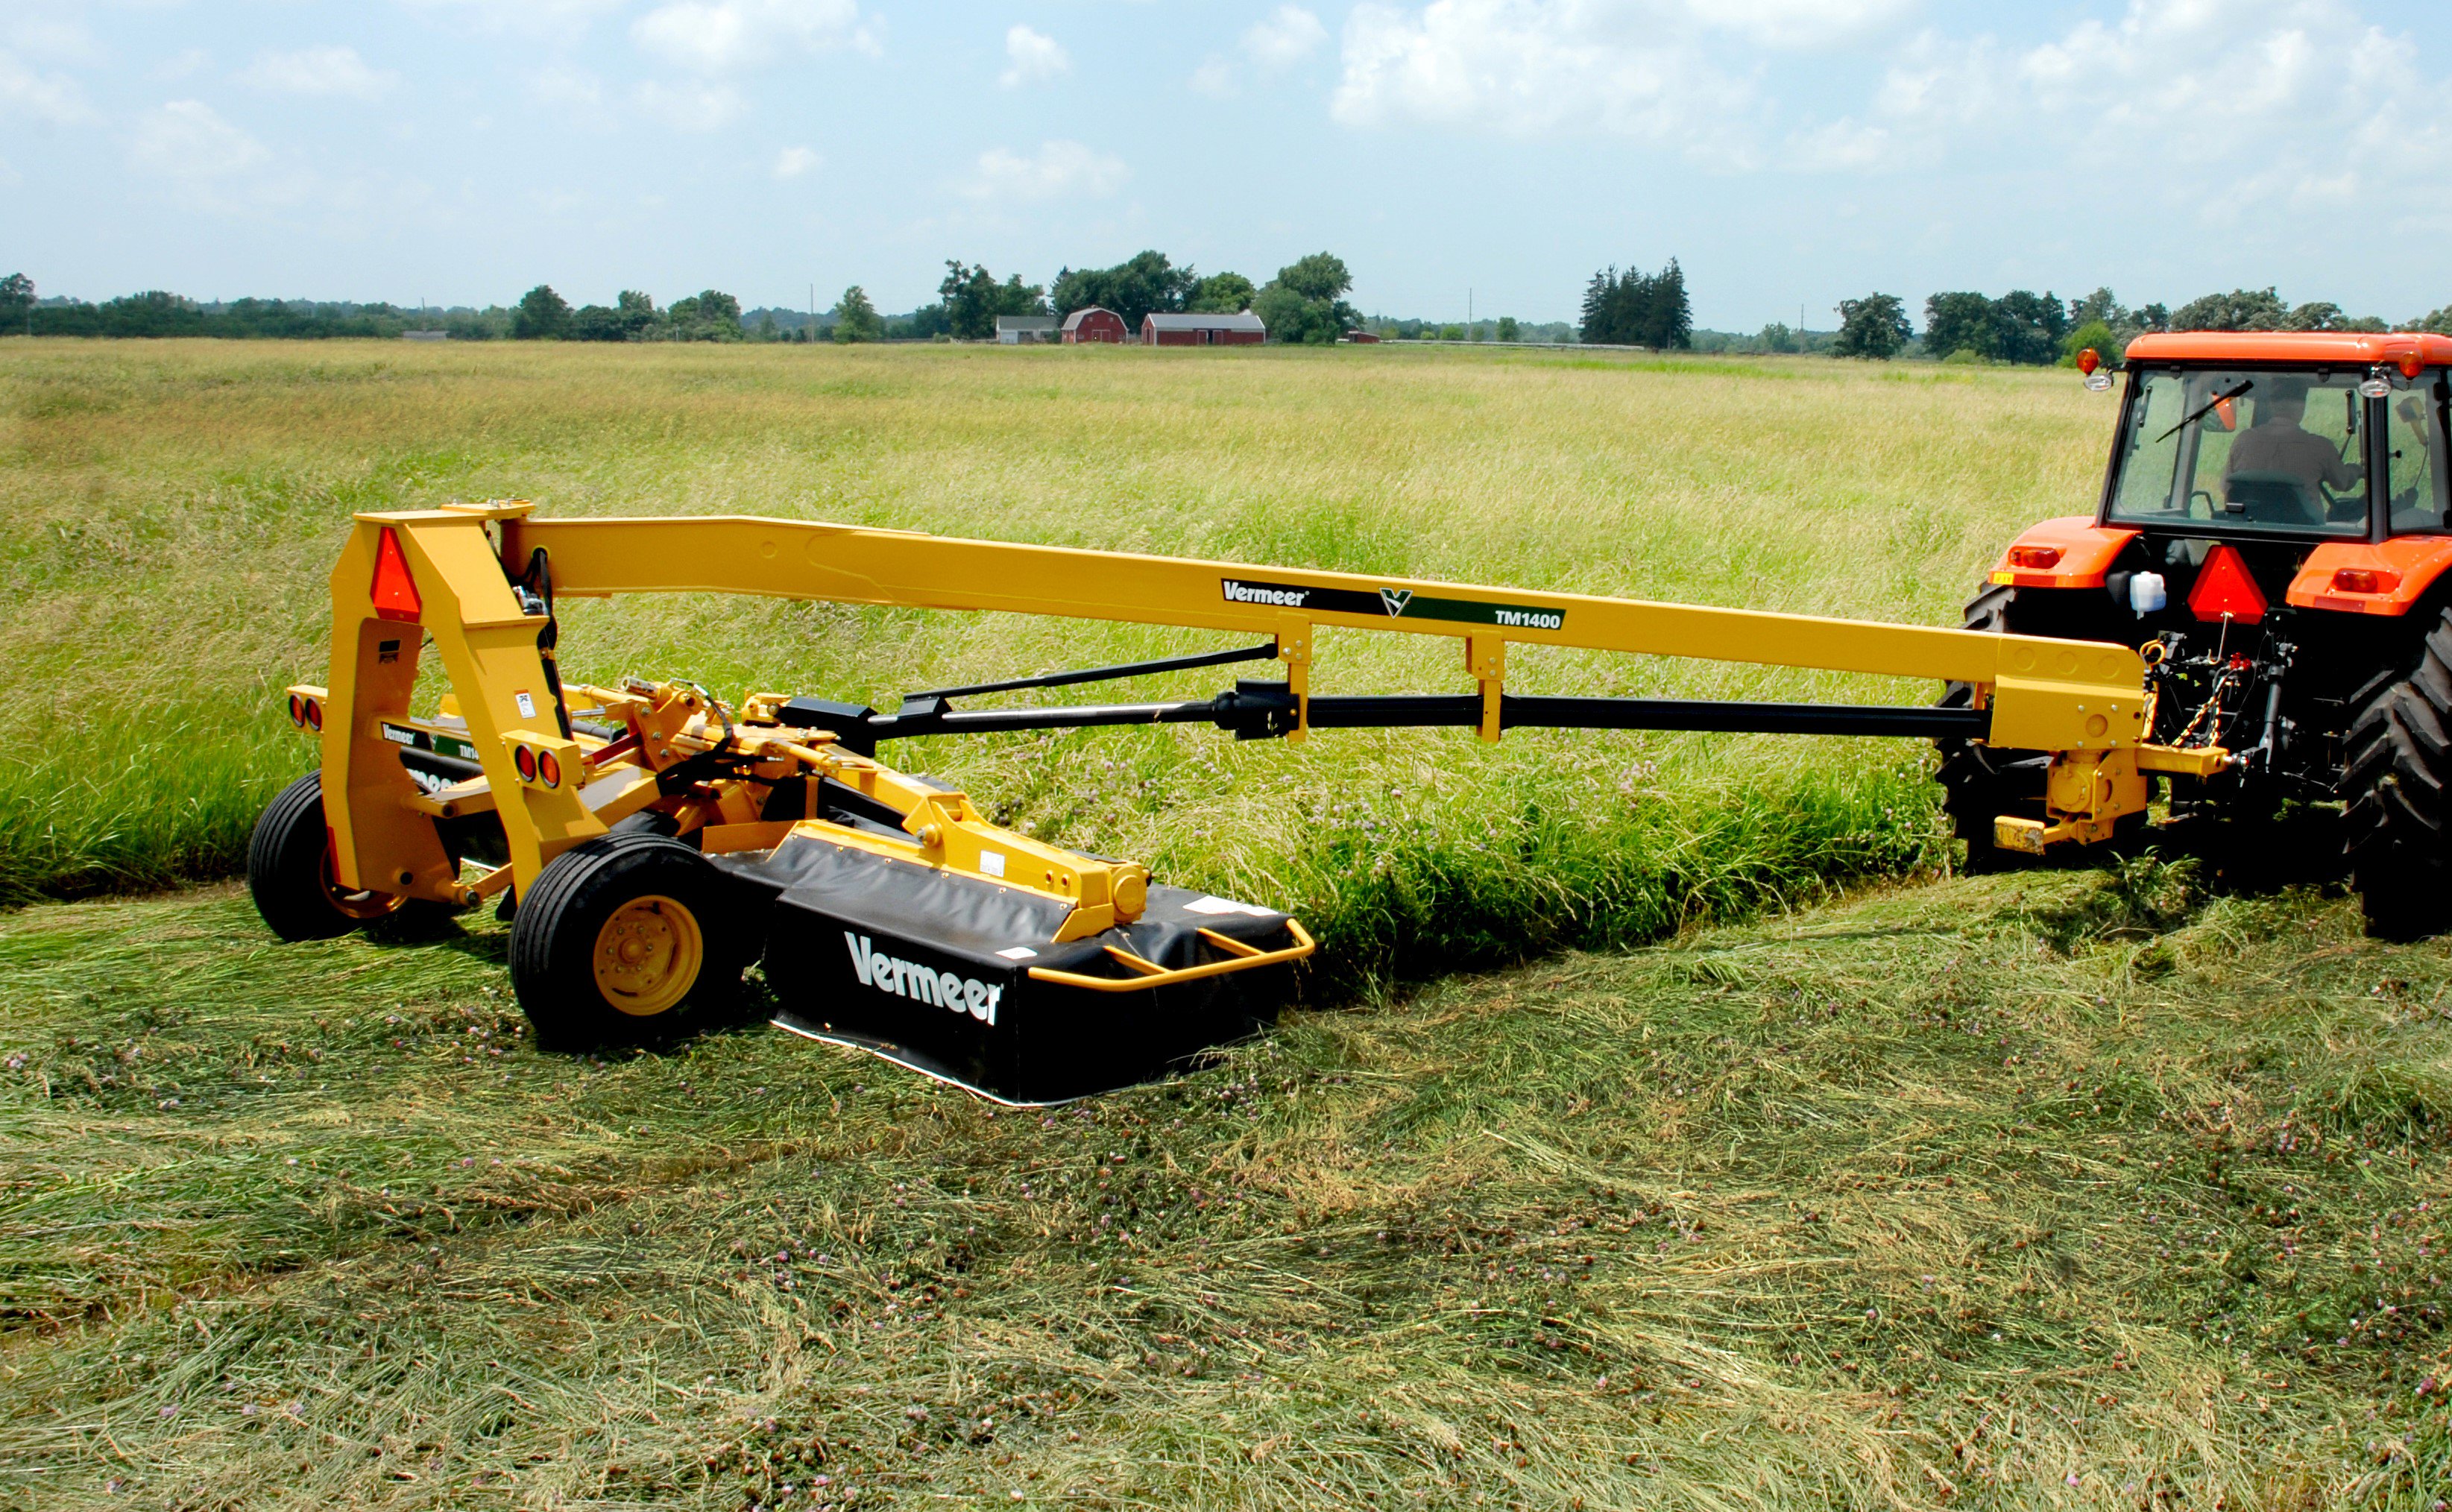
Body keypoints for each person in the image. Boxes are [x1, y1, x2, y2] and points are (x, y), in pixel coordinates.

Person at [2224, 376, 2362, 502]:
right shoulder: (2320, 447)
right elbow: (2343, 482)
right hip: (2305, 527)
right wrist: (2356, 470)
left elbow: (2227, 487)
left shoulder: (2243, 442)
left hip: (2250, 525)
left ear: (2272, 404)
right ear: (2302, 407)